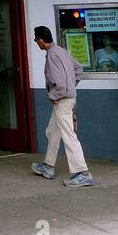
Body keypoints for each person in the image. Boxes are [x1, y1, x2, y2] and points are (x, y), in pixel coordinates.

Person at [31, 25, 94, 187]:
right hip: (69, 98)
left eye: (36, 40)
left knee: (69, 136)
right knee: (53, 131)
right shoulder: (61, 51)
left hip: (62, 100)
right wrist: (71, 86)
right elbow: (78, 69)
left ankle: (82, 172)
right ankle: (48, 166)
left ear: (40, 41)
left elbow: (59, 83)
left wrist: (54, 95)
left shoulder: (52, 55)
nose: (36, 43)